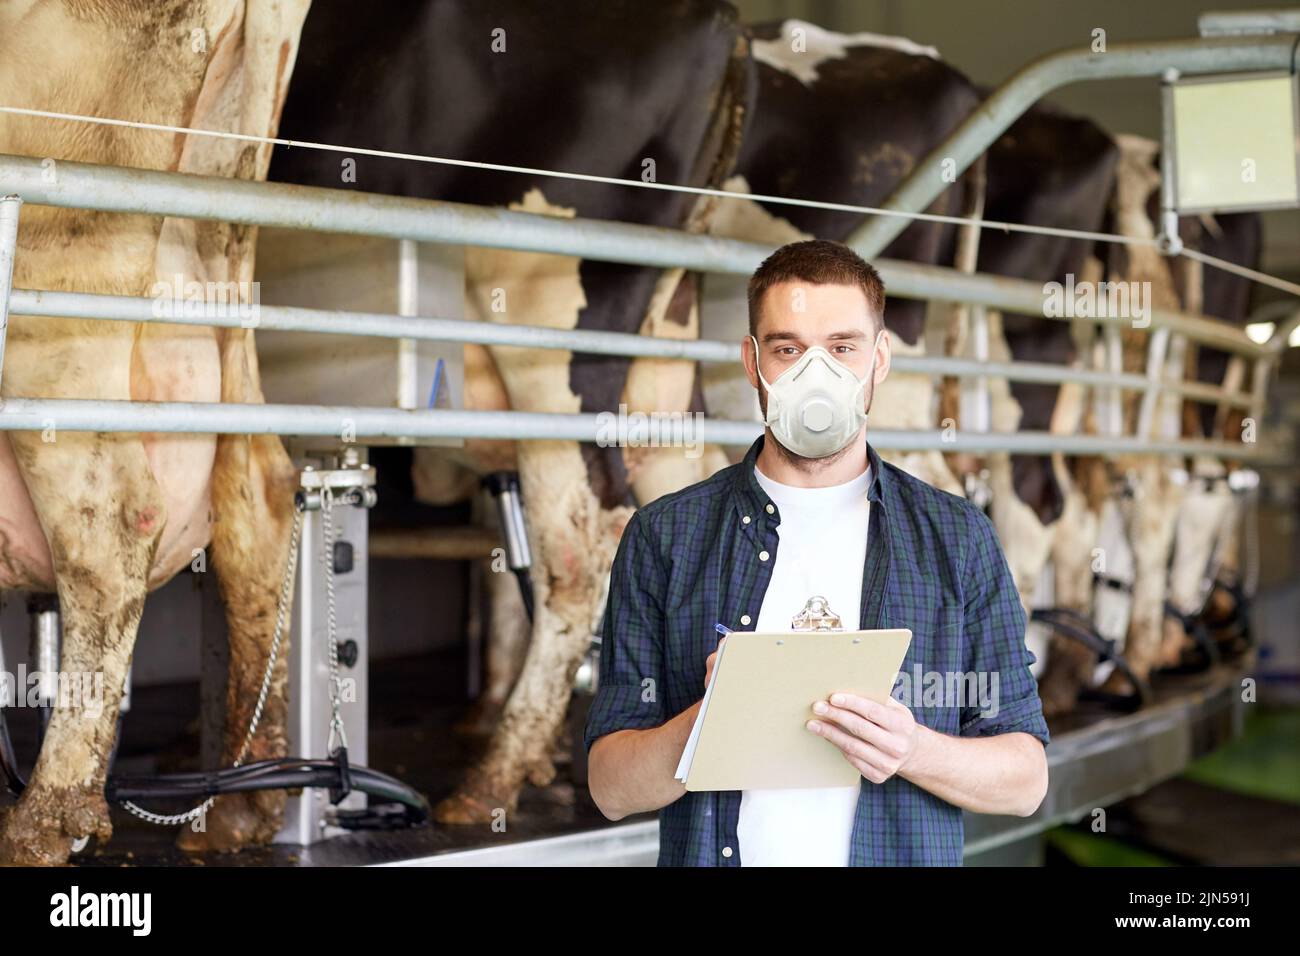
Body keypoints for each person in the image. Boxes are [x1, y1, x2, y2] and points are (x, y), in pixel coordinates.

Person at [584, 238, 1049, 866]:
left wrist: (911, 750)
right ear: (752, 363)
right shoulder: (667, 535)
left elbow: (1025, 779)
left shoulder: (955, 538)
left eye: (841, 348)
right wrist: (711, 723)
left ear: (879, 359)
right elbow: (610, 789)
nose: (816, 374)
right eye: (787, 349)